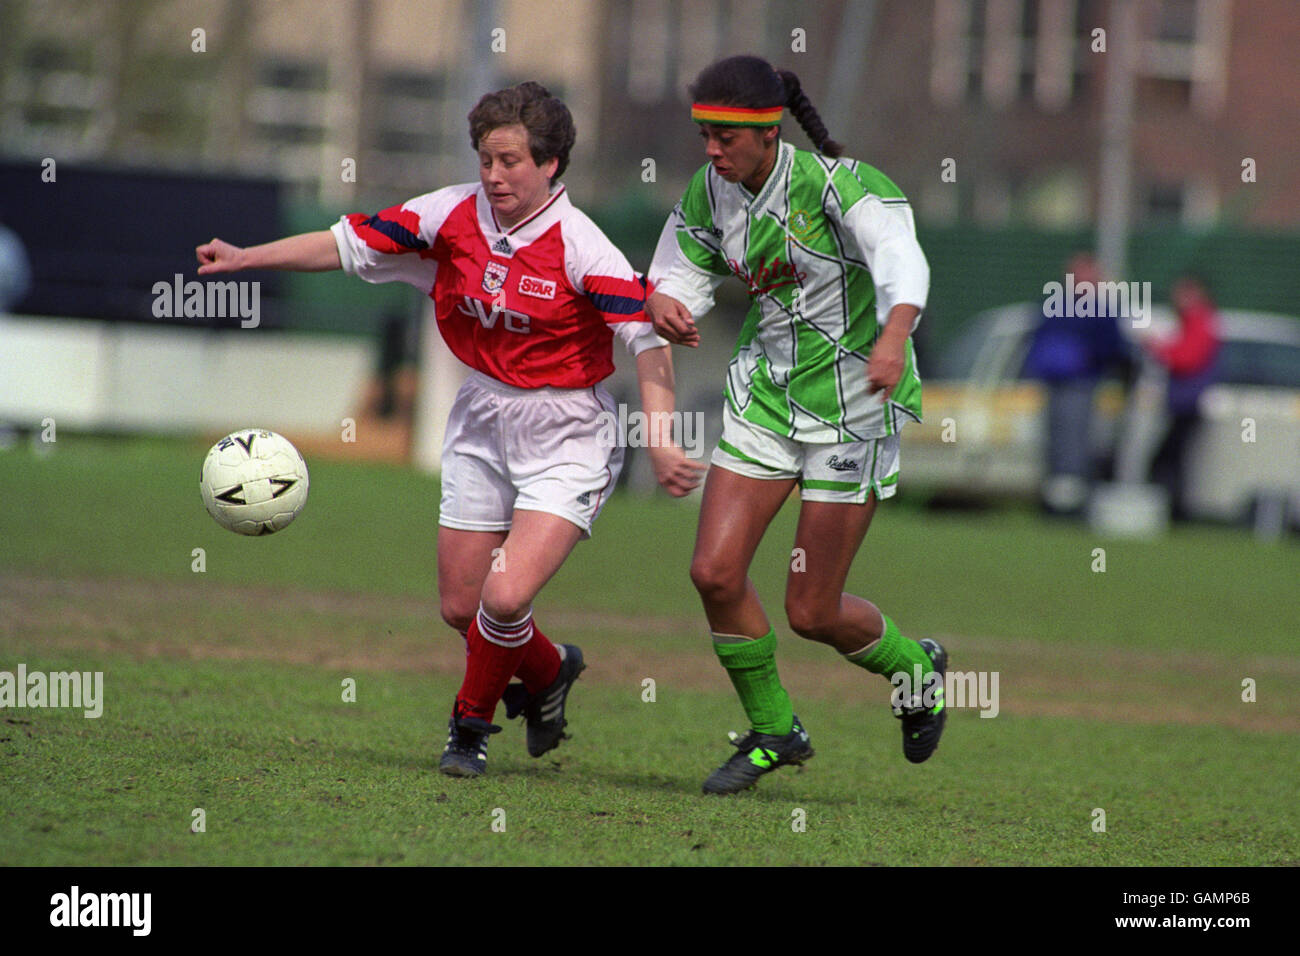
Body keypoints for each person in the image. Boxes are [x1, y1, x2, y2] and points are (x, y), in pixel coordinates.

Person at [197, 81, 704, 778]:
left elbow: (648, 341)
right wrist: (246, 258)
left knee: (505, 596)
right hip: (481, 416)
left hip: (567, 431)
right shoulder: (447, 214)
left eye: (510, 161)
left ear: (550, 164)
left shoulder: (580, 243)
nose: (493, 176)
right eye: (485, 160)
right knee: (463, 606)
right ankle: (552, 670)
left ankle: (468, 729)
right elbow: (344, 243)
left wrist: (665, 439)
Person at [645, 55, 945, 794]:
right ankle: (775, 729)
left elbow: (904, 260)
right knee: (713, 572)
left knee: (811, 610)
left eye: (724, 136)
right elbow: (676, 264)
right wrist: (669, 300)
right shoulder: (710, 190)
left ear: (767, 129)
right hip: (767, 397)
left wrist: (894, 335)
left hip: (853, 407)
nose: (711, 150)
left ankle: (916, 668)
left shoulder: (840, 185)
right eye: (704, 134)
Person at [1022, 252, 1127, 515]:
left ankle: (1075, 505)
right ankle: (1055, 502)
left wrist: (1087, 360)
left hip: (1082, 386)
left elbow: (1112, 349)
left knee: (1077, 446)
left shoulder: (1100, 311)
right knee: (1055, 445)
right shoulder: (1054, 305)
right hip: (1054, 385)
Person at [1146, 273, 1220, 520]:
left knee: (1167, 459)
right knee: (1173, 459)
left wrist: (1157, 347)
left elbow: (1186, 358)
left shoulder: (1200, 321)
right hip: (1183, 402)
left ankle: (1173, 512)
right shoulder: (1192, 321)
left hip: (1188, 403)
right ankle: (1172, 510)